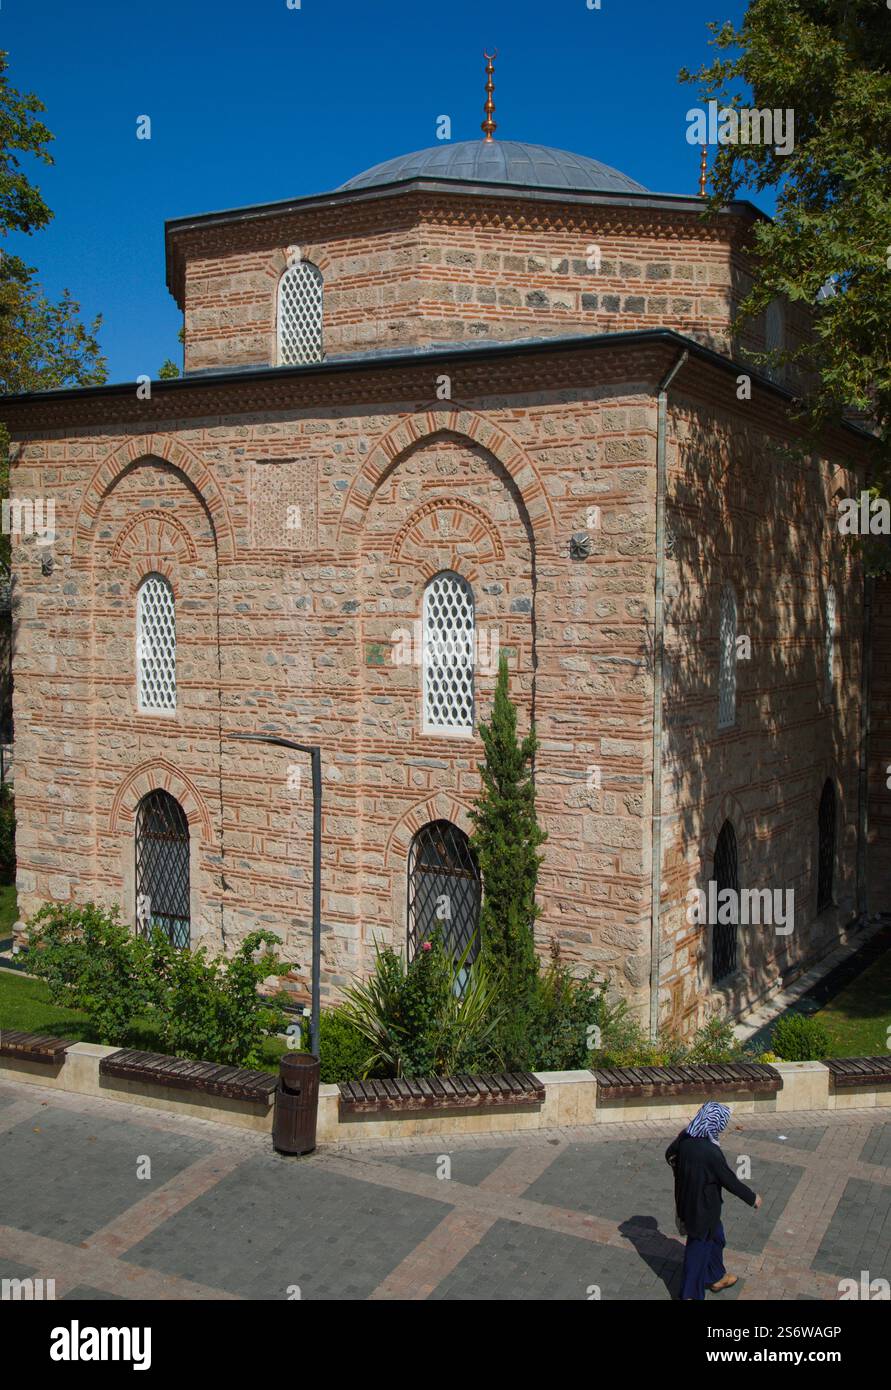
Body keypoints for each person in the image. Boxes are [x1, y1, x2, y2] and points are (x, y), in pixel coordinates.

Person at [665, 1100, 762, 1300]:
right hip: (704, 1211)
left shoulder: (684, 1139)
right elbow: (729, 1180)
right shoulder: (710, 1153)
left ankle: (716, 1276)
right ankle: (690, 1295)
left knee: (717, 1238)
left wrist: (683, 1173)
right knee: (697, 1250)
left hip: (687, 1202)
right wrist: (752, 1198)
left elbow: (669, 1155)